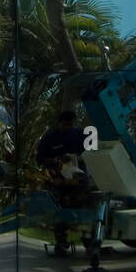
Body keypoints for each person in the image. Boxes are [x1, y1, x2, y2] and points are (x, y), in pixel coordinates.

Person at [36, 110, 90, 258]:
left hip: (78, 181)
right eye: (65, 125)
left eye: (70, 125)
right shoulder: (50, 138)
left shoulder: (80, 134)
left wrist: (79, 158)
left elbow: (91, 152)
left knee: (83, 212)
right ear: (59, 123)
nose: (67, 127)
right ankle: (61, 243)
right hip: (58, 182)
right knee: (59, 213)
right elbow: (40, 158)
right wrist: (57, 160)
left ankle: (89, 243)